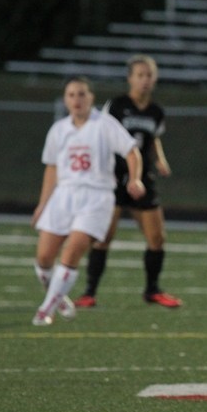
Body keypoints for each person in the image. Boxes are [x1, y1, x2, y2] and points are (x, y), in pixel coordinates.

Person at [31, 76, 144, 326]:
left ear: (91, 97)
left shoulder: (104, 124)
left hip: (97, 197)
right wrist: (42, 204)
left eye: (82, 94)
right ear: (65, 99)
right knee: (43, 259)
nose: (76, 100)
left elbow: (131, 151)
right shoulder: (59, 129)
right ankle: (58, 295)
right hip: (64, 196)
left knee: (71, 253)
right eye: (71, 95)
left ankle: (45, 310)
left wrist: (134, 179)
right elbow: (51, 169)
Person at [75, 55, 182, 309]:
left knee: (157, 238)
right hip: (113, 178)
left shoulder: (156, 111)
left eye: (149, 75)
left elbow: (153, 138)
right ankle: (89, 292)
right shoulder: (118, 105)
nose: (145, 80)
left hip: (142, 179)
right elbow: (100, 134)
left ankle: (152, 290)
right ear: (130, 78)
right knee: (103, 237)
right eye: (140, 75)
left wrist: (160, 160)